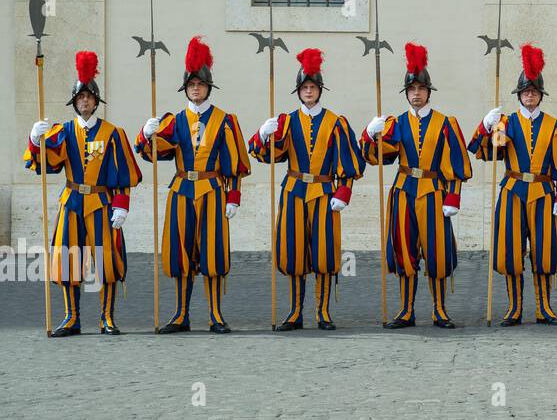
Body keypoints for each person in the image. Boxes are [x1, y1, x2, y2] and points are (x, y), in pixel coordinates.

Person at [137, 37, 250, 333]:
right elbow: (155, 153)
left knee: (212, 253)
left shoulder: (225, 120)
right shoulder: (174, 121)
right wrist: (147, 134)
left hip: (212, 191)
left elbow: (234, 162)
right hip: (181, 191)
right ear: (186, 88)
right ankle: (180, 314)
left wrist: (233, 196)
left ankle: (215, 315)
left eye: (200, 84)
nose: (196, 89)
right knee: (180, 253)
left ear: (208, 87)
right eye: (191, 85)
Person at [24, 51, 141, 336]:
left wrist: (122, 205)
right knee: (67, 259)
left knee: (107, 261)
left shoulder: (113, 133)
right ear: (75, 102)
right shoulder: (62, 131)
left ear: (96, 101)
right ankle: (72, 317)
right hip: (73, 201)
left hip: (102, 202)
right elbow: (43, 163)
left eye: (89, 97)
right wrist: (34, 139)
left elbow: (124, 172)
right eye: (80, 97)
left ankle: (107, 318)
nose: (85, 101)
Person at [249, 48, 364, 331]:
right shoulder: (285, 121)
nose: (308, 91)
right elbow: (268, 155)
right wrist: (264, 135)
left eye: (312, 87)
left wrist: (343, 191)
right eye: (304, 87)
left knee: (324, 253)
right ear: (298, 91)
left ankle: (322, 311)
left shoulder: (336, 122)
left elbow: (348, 160)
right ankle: (295, 311)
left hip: (324, 192)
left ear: (320, 90)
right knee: (293, 251)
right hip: (294, 190)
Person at [362, 43, 473, 329]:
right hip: (403, 191)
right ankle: (406, 310)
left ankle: (439, 310)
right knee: (404, 251)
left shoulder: (446, 123)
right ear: (406, 93)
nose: (416, 94)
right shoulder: (394, 123)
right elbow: (378, 157)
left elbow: (457, 164)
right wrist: (370, 133)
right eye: (411, 90)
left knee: (437, 251)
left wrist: (453, 197)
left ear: (428, 91)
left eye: (420, 89)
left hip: (434, 192)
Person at [468, 44, 557, 326]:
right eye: (526, 91)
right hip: (513, 191)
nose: (530, 95)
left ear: (541, 95)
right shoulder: (505, 123)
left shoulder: (555, 125)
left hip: (543, 192)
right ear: (519, 95)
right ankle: (514, 308)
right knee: (511, 252)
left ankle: (544, 308)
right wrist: (485, 126)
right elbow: (486, 153)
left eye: (534, 91)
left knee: (544, 252)